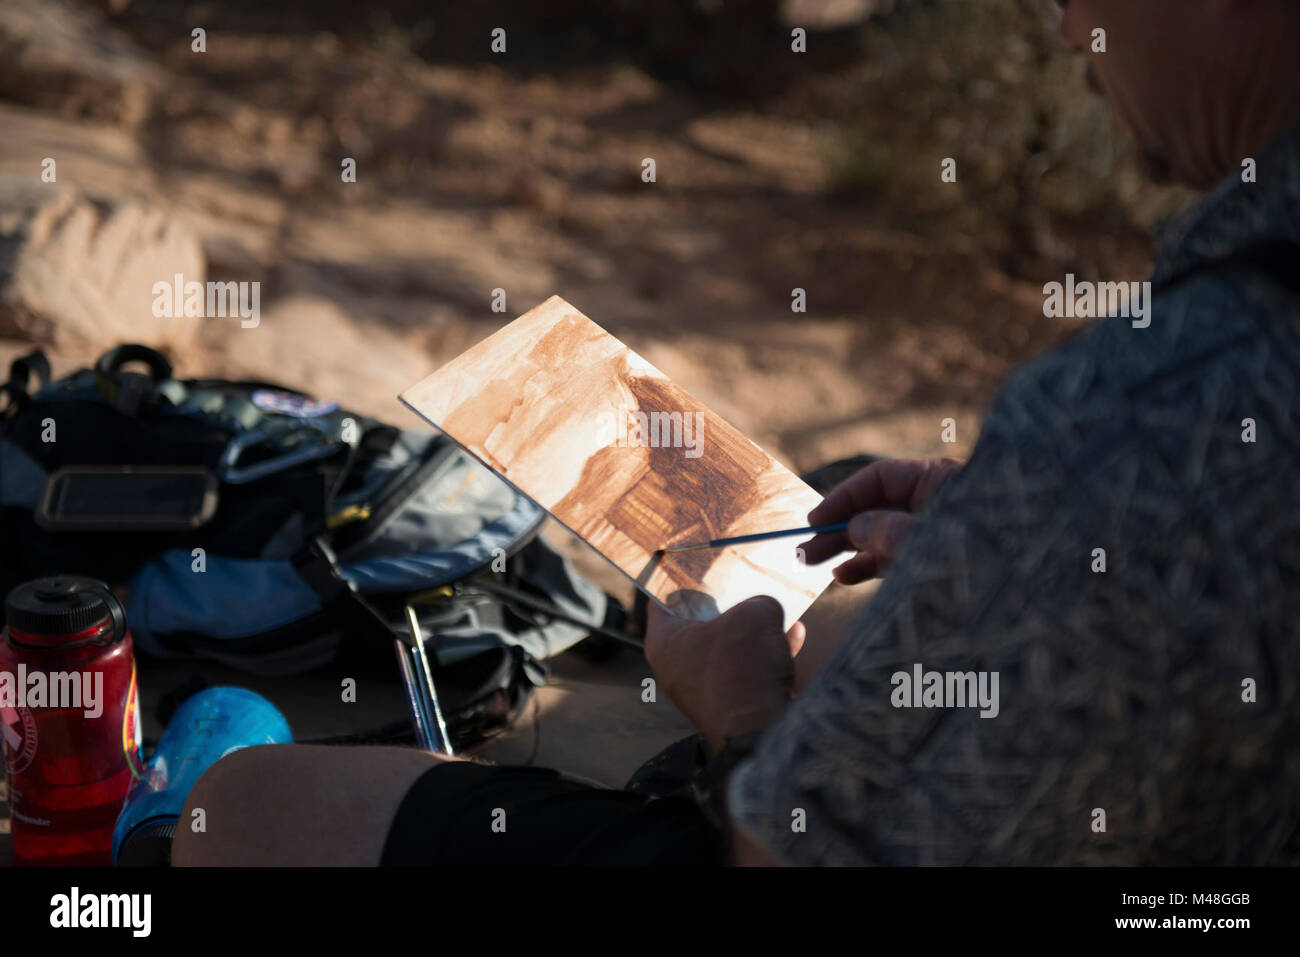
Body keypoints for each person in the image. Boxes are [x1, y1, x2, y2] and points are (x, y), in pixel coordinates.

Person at [174, 0, 1300, 866]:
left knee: (243, 810)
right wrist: (1022, 533)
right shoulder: (1175, 396)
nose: (1065, 30)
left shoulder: (1143, 407)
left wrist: (735, 713)